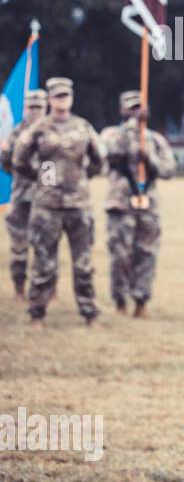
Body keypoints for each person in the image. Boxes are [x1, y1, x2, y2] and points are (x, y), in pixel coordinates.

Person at [11, 77, 104, 325]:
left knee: (83, 264)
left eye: (66, 96)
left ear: (72, 98)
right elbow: (19, 161)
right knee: (44, 263)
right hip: (47, 206)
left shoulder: (83, 127)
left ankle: (89, 313)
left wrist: (82, 179)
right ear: (49, 99)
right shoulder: (39, 129)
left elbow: (99, 160)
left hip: (78, 205)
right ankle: (37, 313)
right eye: (57, 96)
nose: (62, 100)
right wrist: (40, 178)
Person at [101, 90, 178, 317]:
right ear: (122, 110)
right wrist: (132, 131)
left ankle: (141, 301)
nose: (136, 112)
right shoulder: (113, 134)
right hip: (121, 203)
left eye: (139, 108)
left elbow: (169, 170)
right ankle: (120, 301)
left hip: (148, 205)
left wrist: (149, 159)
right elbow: (107, 153)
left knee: (147, 254)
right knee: (120, 255)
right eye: (131, 107)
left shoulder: (155, 140)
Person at [0, 89, 48, 299]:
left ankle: (47, 287)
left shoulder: (52, 132)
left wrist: (47, 185)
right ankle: (19, 287)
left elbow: (52, 167)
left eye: (39, 107)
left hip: (46, 199)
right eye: (31, 107)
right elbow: (7, 164)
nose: (35, 111)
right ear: (25, 108)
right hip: (21, 197)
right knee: (19, 246)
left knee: (46, 246)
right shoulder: (16, 134)